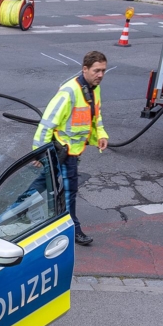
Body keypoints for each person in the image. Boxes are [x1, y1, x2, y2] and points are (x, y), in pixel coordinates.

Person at [33, 50, 109, 246]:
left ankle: (15, 211)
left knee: (43, 185)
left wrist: (101, 135)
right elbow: (47, 123)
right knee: (69, 191)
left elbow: (95, 116)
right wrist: (39, 153)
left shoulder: (94, 88)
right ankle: (73, 229)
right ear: (85, 69)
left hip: (73, 150)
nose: (100, 75)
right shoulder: (69, 91)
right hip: (61, 150)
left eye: (103, 71)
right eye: (96, 70)